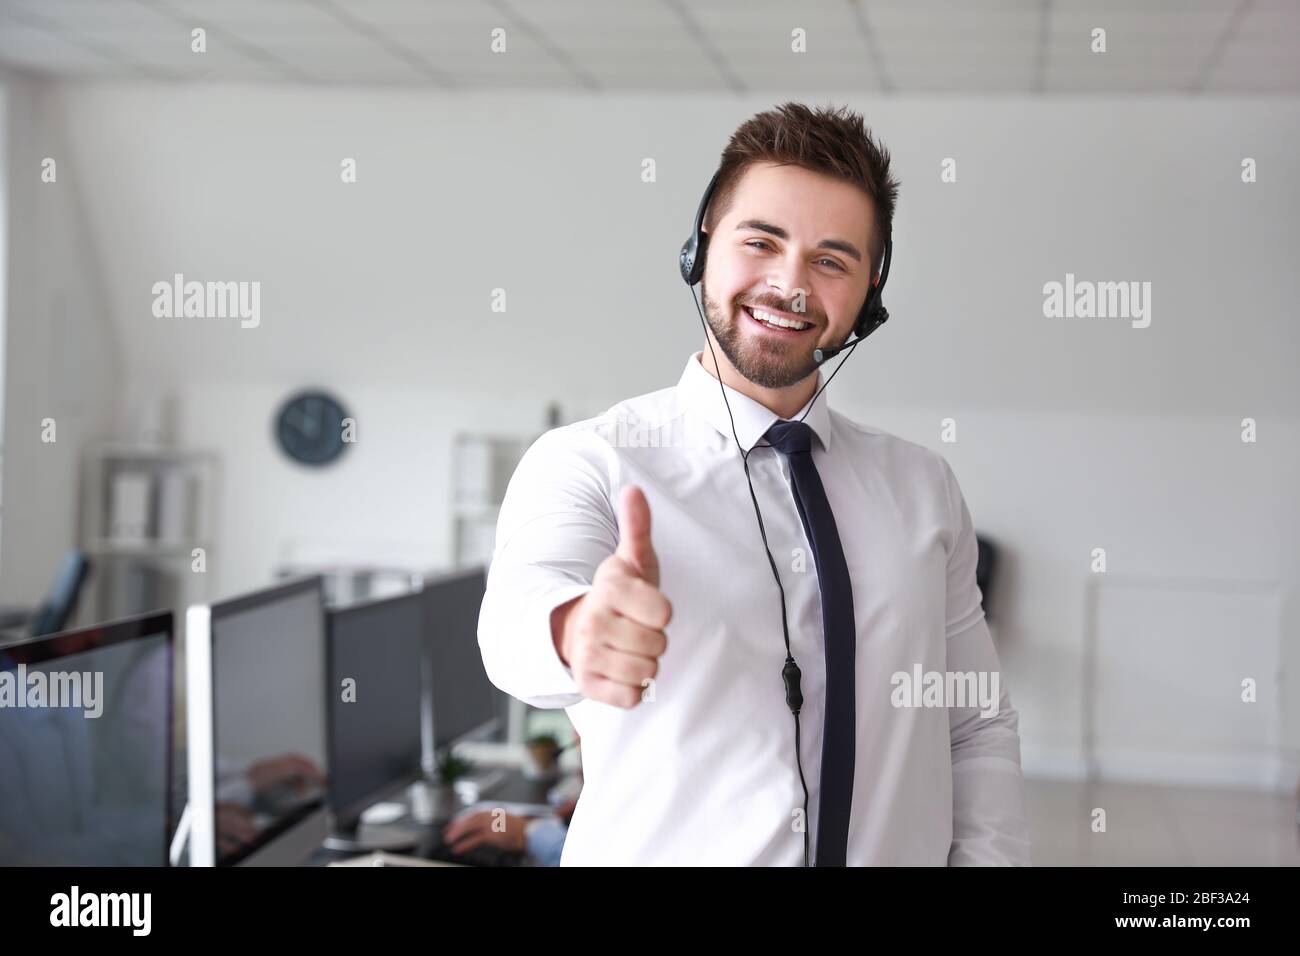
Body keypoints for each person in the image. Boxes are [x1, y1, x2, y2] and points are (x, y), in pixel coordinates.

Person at [478, 102, 1031, 866]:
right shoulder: (590, 462)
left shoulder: (922, 487)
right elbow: (512, 627)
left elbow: (973, 724)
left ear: (870, 293)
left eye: (831, 261)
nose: (790, 286)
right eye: (761, 242)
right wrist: (576, 632)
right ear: (701, 245)